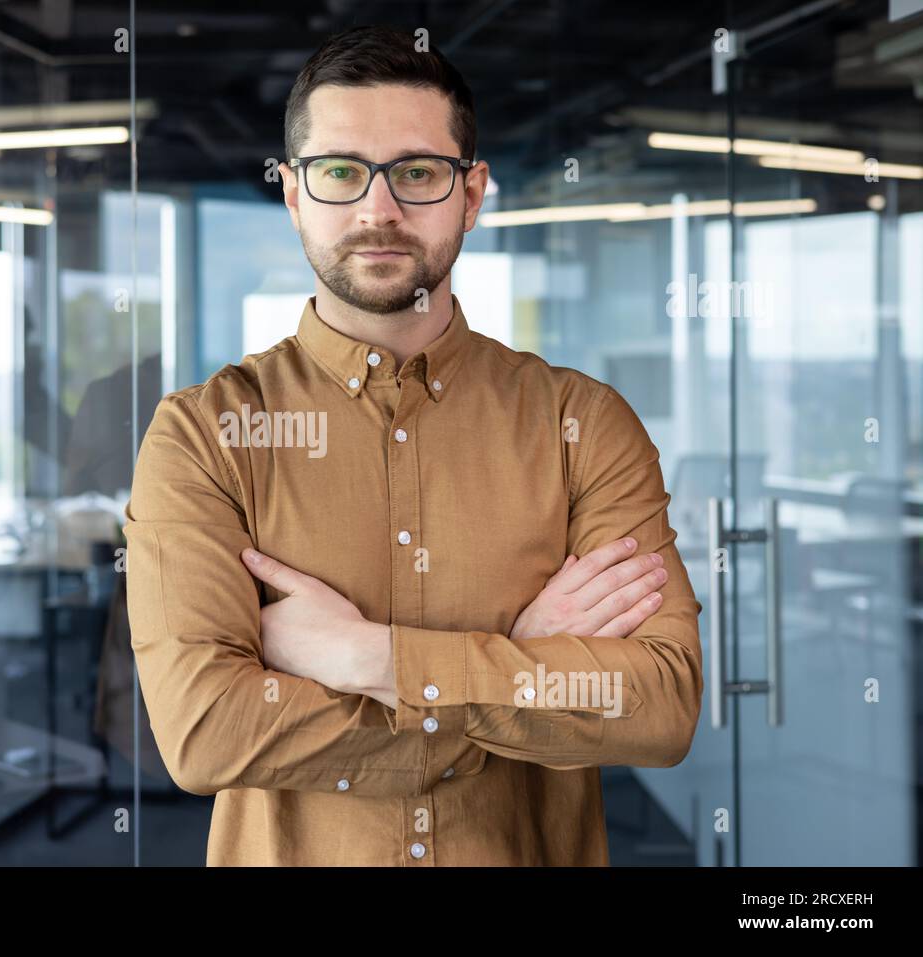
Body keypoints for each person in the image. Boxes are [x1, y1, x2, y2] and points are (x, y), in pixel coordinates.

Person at [123, 23, 702, 866]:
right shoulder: (204, 436)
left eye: (418, 172)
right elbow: (208, 733)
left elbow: (659, 705)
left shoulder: (585, 424)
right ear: (292, 194)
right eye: (340, 171)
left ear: (471, 194)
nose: (377, 208)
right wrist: (513, 665)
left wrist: (370, 656)